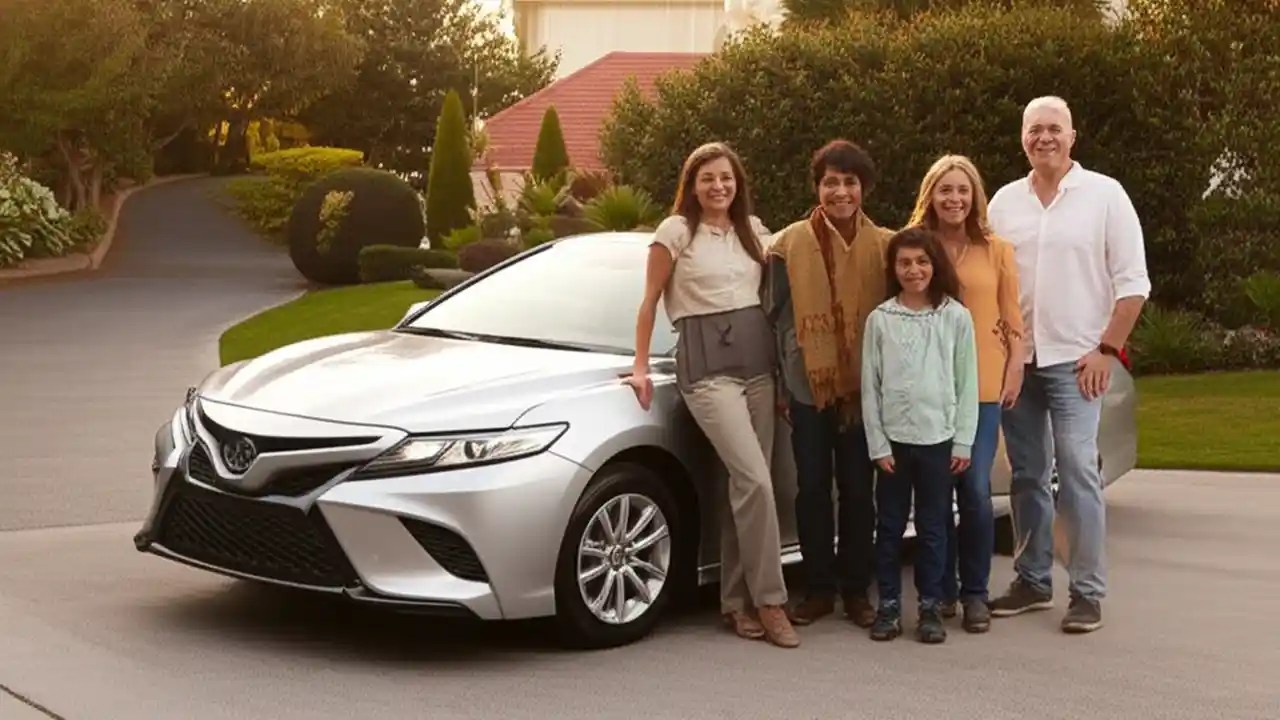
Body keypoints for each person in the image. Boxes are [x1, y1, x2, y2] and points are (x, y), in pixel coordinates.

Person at [625, 141, 799, 649]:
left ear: (737, 182)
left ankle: (735, 603)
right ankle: (771, 600)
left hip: (760, 369)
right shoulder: (675, 232)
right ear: (692, 184)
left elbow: (783, 293)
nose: (718, 186)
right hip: (707, 371)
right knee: (756, 482)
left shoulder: (755, 231)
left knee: (743, 487)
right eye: (708, 179)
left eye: (726, 177)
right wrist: (639, 366)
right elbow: (649, 302)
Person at [986, 96, 1150, 634]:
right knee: (1027, 475)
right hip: (1021, 363)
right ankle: (1032, 581)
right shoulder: (1004, 203)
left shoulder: (1105, 196)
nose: (1044, 138)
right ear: (1023, 139)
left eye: (1054, 129)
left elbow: (1133, 285)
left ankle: (1087, 592)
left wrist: (1107, 350)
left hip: (1079, 363)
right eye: (1034, 130)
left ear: (1072, 136)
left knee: (1078, 473)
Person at [765, 140, 892, 629]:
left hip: (864, 388)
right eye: (831, 182)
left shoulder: (885, 244)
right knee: (812, 487)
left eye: (850, 182)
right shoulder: (786, 244)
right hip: (805, 384)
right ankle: (818, 589)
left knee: (860, 490)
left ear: (864, 188)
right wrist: (781, 380)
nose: (841, 192)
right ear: (817, 187)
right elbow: (774, 317)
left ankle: (856, 590)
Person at [905, 155, 1026, 633]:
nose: (954, 199)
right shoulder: (916, 247)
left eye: (963, 190)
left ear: (975, 196)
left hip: (982, 386)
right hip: (930, 389)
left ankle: (976, 591)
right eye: (945, 190)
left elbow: (1012, 316)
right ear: (930, 196)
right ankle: (942, 592)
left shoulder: (997, 249)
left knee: (975, 489)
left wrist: (1015, 367)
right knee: (936, 493)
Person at [861, 227, 979, 644]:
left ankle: (931, 605)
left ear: (935, 265)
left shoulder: (955, 318)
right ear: (893, 269)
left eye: (922, 261)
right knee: (890, 527)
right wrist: (877, 444)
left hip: (938, 440)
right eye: (905, 263)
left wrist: (962, 440)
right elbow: (869, 388)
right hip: (894, 444)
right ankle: (889, 605)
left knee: (934, 527)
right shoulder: (880, 320)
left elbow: (967, 384)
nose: (914, 270)